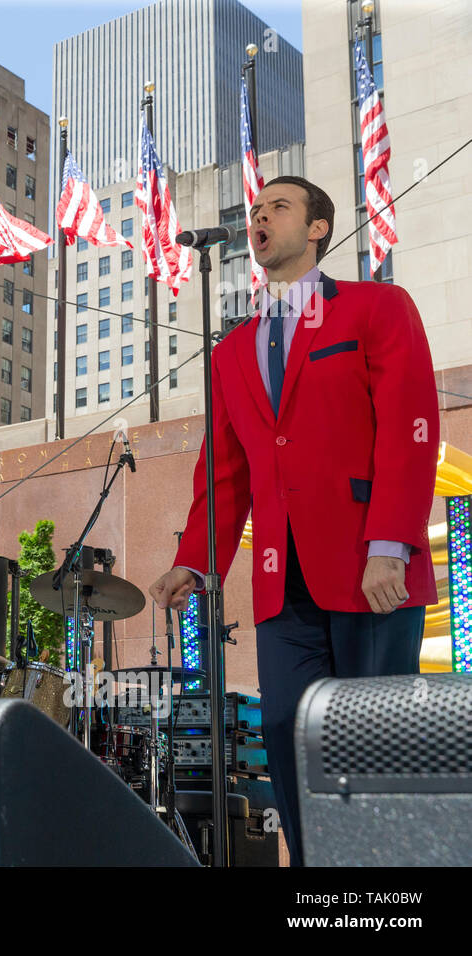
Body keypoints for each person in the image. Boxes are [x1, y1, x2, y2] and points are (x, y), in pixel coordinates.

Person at [148, 176, 438, 867]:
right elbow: (224, 475)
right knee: (286, 729)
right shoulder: (230, 351)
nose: (258, 219)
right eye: (253, 211)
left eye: (277, 207)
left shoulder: (378, 307)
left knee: (371, 740)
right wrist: (196, 560)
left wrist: (390, 543)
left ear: (316, 228)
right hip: (285, 585)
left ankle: (384, 885)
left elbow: (409, 431)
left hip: (373, 571)